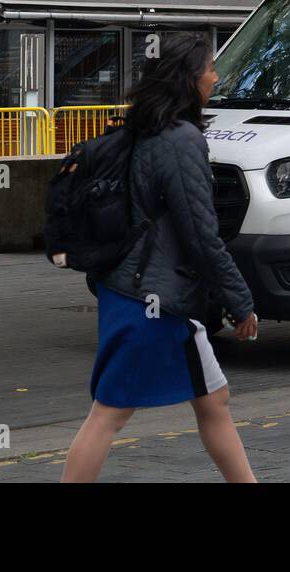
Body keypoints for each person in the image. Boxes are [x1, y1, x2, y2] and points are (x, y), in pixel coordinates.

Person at [62, 34, 259, 482]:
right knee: (108, 414)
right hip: (154, 301)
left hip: (134, 291)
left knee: (213, 399)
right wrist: (240, 301)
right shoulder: (181, 139)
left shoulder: (138, 130)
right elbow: (201, 233)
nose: (215, 75)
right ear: (189, 78)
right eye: (210, 67)